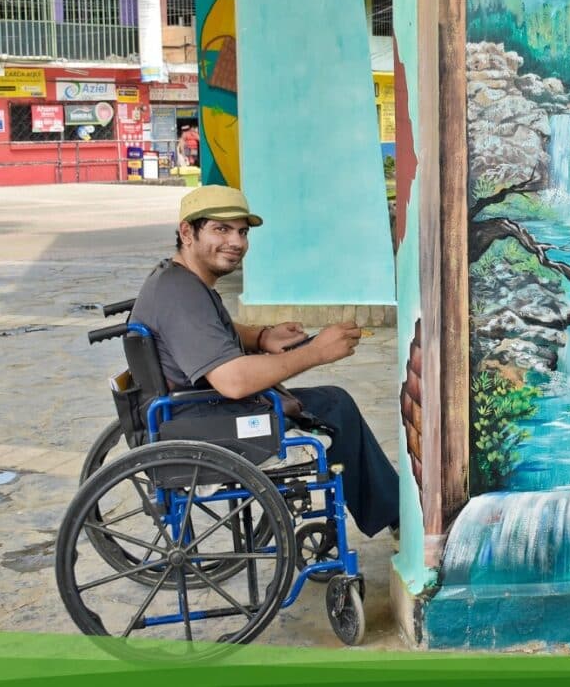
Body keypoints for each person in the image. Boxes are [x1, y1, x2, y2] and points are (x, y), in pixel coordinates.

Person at [131, 185, 400, 538]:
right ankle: (399, 519)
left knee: (332, 403)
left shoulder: (177, 280)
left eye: (242, 232)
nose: (237, 242)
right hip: (203, 425)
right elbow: (234, 381)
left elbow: (210, 331)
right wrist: (316, 352)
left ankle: (394, 513)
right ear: (187, 232)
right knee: (335, 407)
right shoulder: (181, 295)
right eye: (221, 229)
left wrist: (261, 336)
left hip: (190, 413)